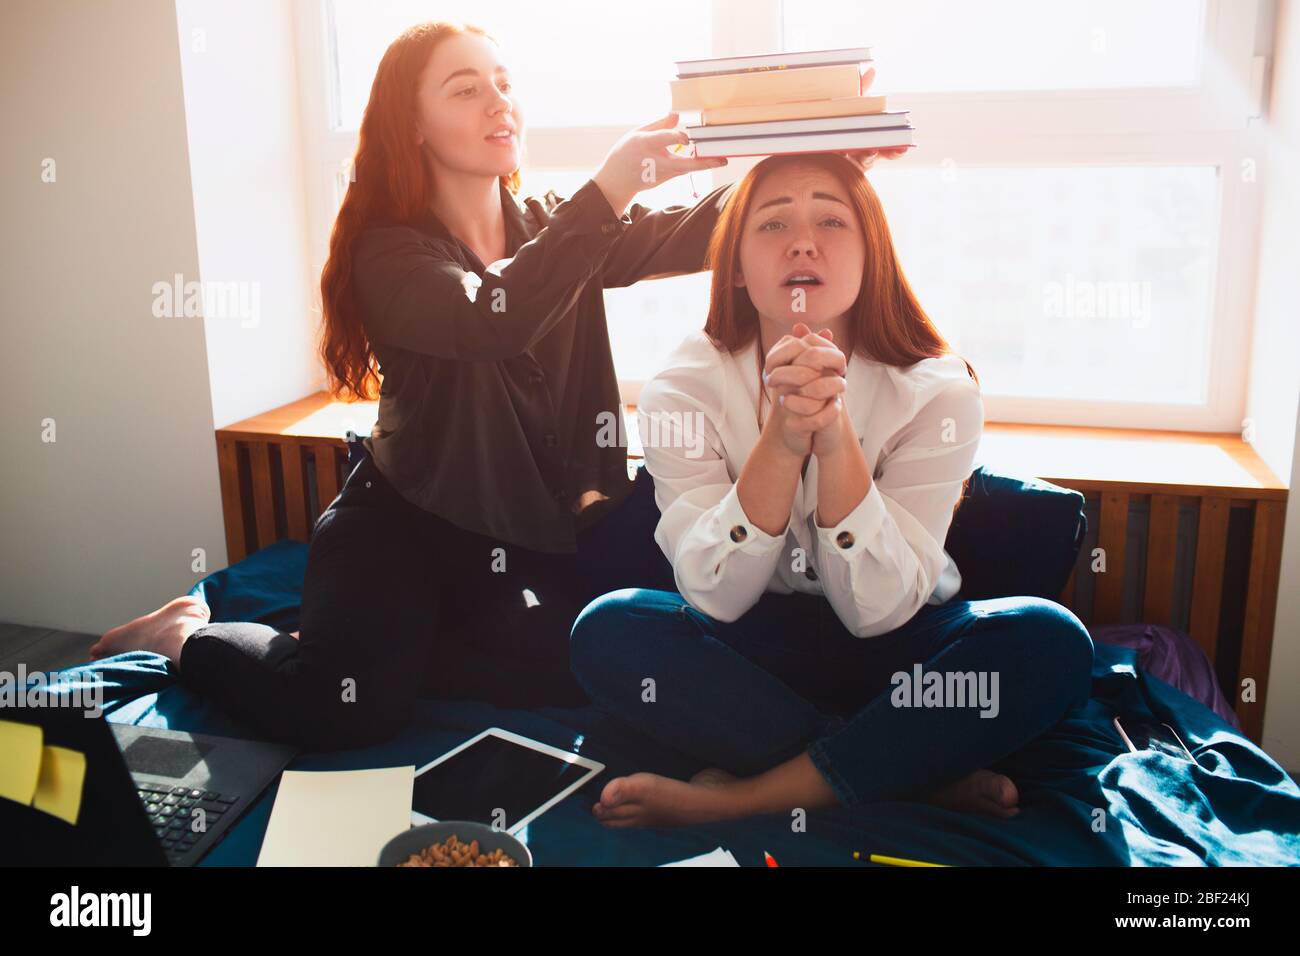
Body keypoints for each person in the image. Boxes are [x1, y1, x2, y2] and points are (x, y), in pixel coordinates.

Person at [89, 21, 901, 751]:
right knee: (345, 710)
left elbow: (697, 233)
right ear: (412, 124)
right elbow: (492, 315)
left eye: (505, 83)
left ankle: (413, 643)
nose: (498, 102)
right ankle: (182, 631)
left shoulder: (553, 227)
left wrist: (821, 160)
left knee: (595, 664)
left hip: (525, 539)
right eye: (466, 87)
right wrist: (614, 185)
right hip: (403, 528)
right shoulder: (389, 253)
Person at [568, 152, 1095, 825]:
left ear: (871, 253)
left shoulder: (938, 391)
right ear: (734, 265)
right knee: (608, 630)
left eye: (831, 220)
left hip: (898, 645)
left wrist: (832, 429)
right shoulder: (682, 388)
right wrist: (784, 441)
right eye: (772, 225)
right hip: (748, 651)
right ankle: (902, 773)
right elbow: (718, 594)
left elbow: (876, 611)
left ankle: (754, 794)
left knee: (1050, 640)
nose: (803, 241)